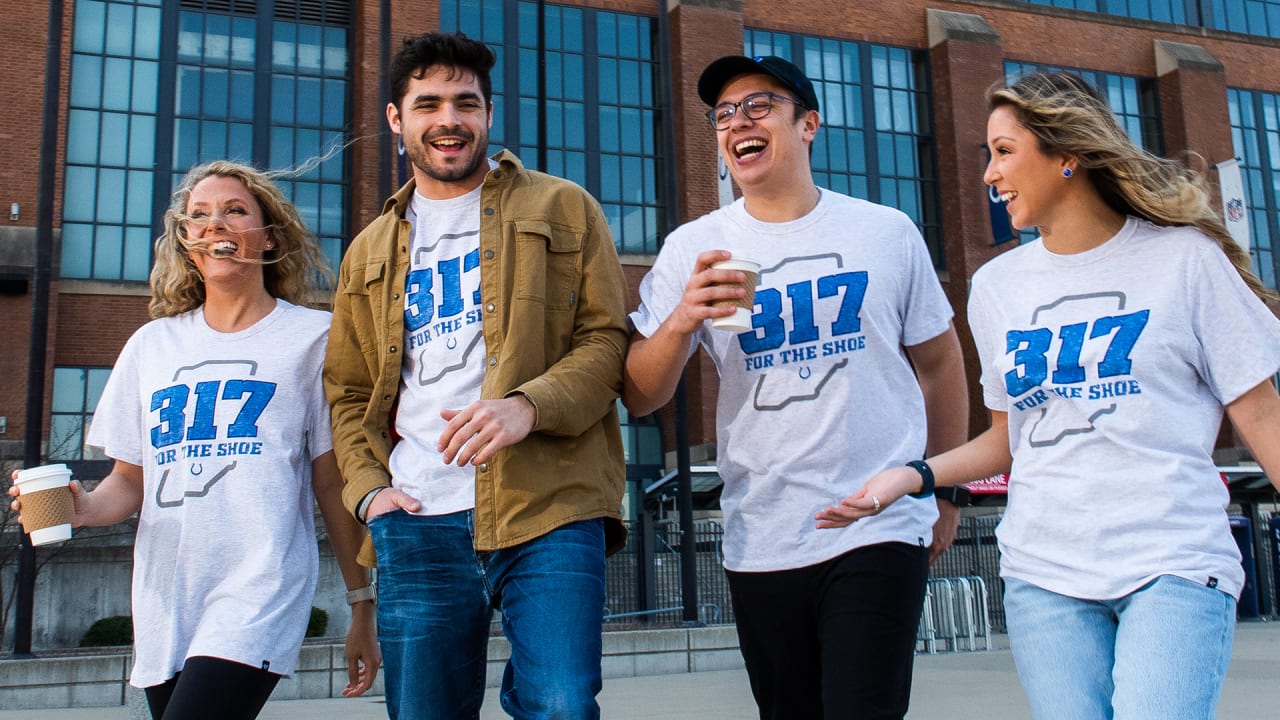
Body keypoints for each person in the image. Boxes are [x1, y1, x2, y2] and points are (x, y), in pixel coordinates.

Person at [826, 71, 1280, 719]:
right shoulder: (997, 287)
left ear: (1067, 155)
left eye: (1004, 151)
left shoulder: (1185, 261)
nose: (988, 174)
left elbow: (1261, 410)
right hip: (1045, 575)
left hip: (1173, 560)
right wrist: (912, 475)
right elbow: (1008, 439)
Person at [624, 55, 969, 720]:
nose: (737, 123)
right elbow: (641, 397)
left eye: (759, 105)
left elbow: (942, 365)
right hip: (765, 533)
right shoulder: (700, 248)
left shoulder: (884, 231)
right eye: (723, 114)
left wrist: (942, 488)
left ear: (808, 123)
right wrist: (681, 320)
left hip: (877, 521)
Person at [323, 32, 629, 720]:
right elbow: (345, 392)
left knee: (562, 705)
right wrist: (370, 492)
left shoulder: (563, 207)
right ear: (397, 119)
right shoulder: (368, 248)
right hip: (416, 516)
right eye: (427, 103)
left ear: (489, 114)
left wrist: (528, 405)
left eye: (466, 102)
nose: (449, 119)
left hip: (549, 505)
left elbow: (608, 338)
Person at [9, 160, 380, 719]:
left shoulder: (313, 338)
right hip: (165, 597)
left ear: (268, 235)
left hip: (260, 587)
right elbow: (129, 482)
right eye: (199, 216)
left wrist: (360, 604)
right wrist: (81, 508)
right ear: (185, 242)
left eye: (235, 211)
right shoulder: (150, 346)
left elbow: (331, 484)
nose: (216, 225)